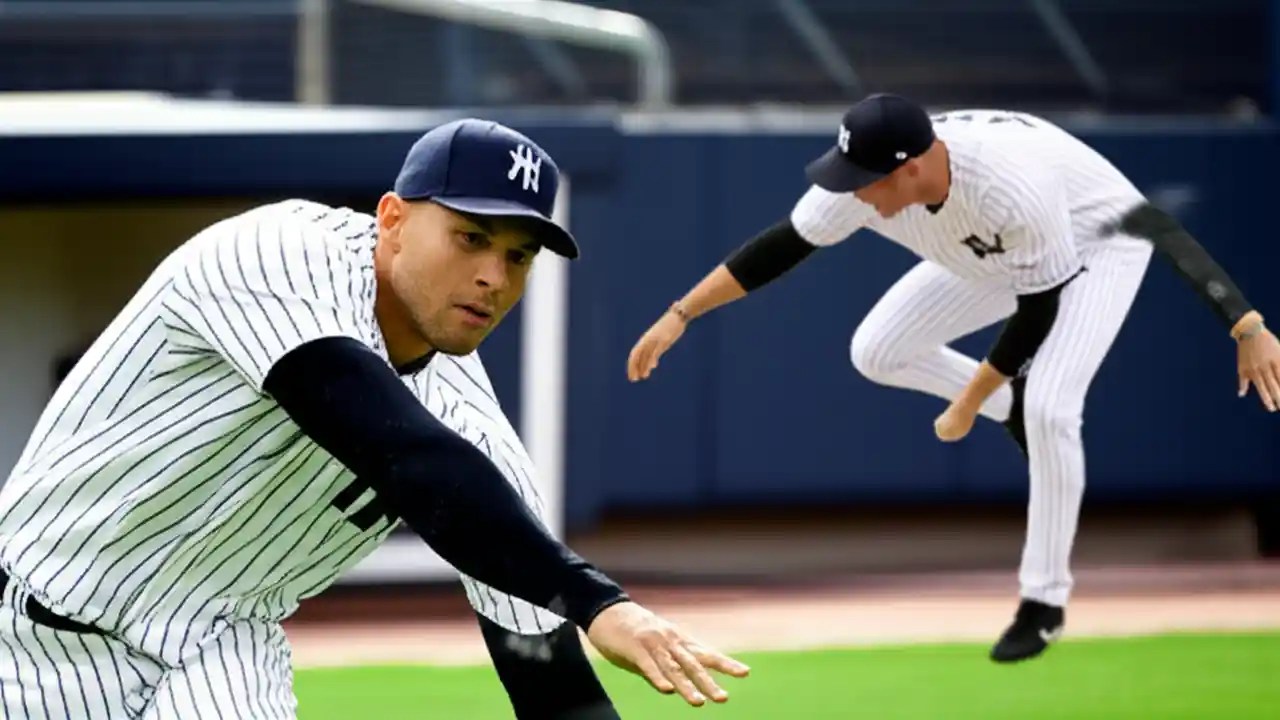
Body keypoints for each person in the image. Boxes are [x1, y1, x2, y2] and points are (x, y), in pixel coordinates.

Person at [0, 118, 748, 718]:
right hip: (34, 633)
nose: (493, 275)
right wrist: (597, 599)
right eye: (471, 237)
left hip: (219, 650)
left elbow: (546, 676)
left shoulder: (470, 428)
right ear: (391, 219)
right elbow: (402, 452)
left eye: (519, 256)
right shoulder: (273, 255)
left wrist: (574, 614)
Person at [626, 93, 1280, 663]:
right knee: (876, 350)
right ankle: (1012, 412)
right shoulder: (877, 178)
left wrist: (1244, 322)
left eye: (863, 179)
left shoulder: (1009, 185)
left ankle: (1043, 602)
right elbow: (781, 246)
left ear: (909, 169)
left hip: (1092, 247)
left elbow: (1043, 308)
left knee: (1051, 408)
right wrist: (678, 314)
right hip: (992, 251)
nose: (851, 190)